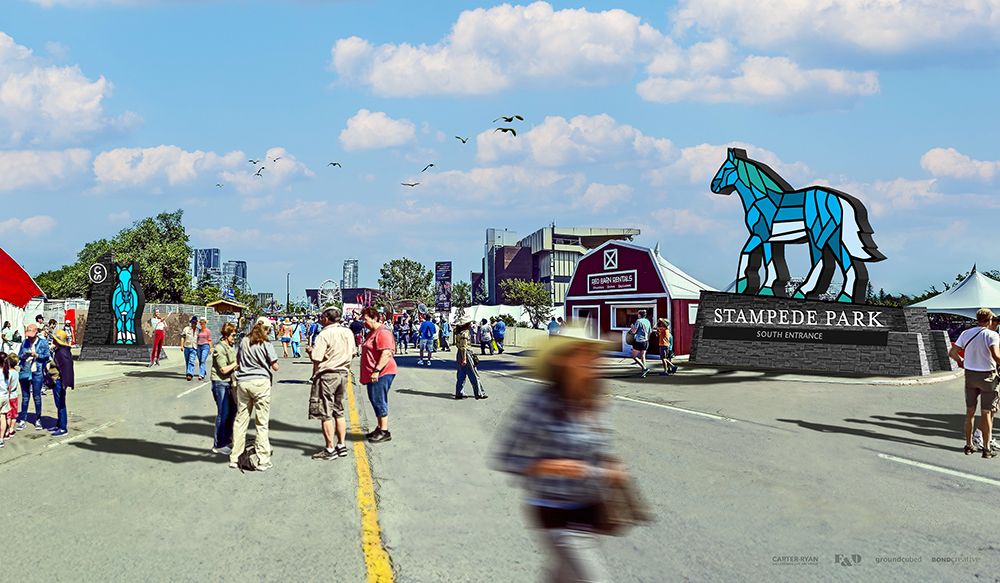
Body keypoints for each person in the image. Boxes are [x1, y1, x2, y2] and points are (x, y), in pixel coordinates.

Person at [494, 327, 640, 582]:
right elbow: (506, 457)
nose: (594, 359)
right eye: (584, 352)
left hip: (590, 510)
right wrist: (551, 466)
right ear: (562, 359)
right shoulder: (539, 402)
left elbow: (600, 448)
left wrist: (612, 467)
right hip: (554, 511)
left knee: (562, 577)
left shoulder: (596, 399)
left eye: (594, 353)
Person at [949, 308, 1000, 458]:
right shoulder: (992, 335)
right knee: (987, 412)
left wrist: (961, 362)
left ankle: (969, 445)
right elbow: (996, 356)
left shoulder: (966, 334)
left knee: (970, 412)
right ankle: (986, 449)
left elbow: (952, 352)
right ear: (990, 319)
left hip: (970, 375)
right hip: (987, 377)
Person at [230, 317, 280, 471]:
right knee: (262, 423)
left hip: (243, 383)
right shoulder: (266, 343)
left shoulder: (244, 341)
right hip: (260, 383)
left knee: (241, 420)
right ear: (266, 329)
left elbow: (238, 360)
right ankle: (263, 459)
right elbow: (275, 366)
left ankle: (235, 457)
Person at [308, 307, 355, 461]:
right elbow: (353, 352)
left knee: (325, 412)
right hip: (343, 373)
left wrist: (310, 351)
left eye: (322, 317)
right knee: (339, 410)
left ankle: (329, 448)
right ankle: (341, 445)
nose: (320, 319)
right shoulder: (347, 332)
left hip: (328, 374)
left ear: (327, 318)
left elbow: (317, 357)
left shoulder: (325, 334)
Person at [360, 307, 397, 444]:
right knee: (375, 399)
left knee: (378, 399)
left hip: (382, 372)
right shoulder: (372, 332)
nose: (363, 322)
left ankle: (384, 431)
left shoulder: (382, 332)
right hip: (373, 372)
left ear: (375, 318)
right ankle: (380, 427)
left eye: (365, 319)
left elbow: (386, 353)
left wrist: (377, 370)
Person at [210, 322, 239, 455]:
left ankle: (227, 440)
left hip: (229, 383)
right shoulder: (219, 349)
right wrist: (237, 364)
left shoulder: (230, 346)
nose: (234, 337)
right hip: (220, 383)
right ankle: (218, 444)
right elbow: (223, 369)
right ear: (226, 335)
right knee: (223, 413)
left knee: (232, 412)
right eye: (233, 335)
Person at [16, 324, 48, 430]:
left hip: (37, 371)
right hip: (25, 370)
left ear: (36, 332)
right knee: (25, 397)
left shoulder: (42, 342)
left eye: (31, 335)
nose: (29, 337)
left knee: (37, 396)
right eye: (28, 335)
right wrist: (24, 355)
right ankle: (23, 419)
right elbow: (19, 355)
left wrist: (37, 355)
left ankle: (38, 419)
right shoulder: (25, 342)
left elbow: (47, 356)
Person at [454, 317, 487, 400]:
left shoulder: (458, 332)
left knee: (461, 375)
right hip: (466, 354)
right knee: (474, 375)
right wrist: (464, 359)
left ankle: (459, 392)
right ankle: (479, 393)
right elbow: (464, 347)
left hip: (459, 353)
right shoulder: (465, 333)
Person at [50, 329, 73, 436]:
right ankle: (59, 424)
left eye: (55, 340)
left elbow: (66, 369)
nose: (53, 341)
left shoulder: (61, 352)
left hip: (59, 381)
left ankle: (63, 428)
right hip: (59, 381)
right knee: (59, 404)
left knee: (61, 404)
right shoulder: (62, 351)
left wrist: (64, 383)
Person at [0, 353, 17, 447]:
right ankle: (1, 439)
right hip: (6, 396)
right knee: (3, 416)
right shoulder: (8, 372)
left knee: (4, 417)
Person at [629, 310, 652, 378]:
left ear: (639, 315)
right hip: (645, 341)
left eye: (638, 314)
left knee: (634, 356)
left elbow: (634, 332)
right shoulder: (647, 321)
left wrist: (632, 327)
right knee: (643, 356)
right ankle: (644, 372)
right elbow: (650, 331)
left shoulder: (638, 321)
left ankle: (644, 368)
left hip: (639, 340)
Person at [180, 316, 198, 381]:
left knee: (191, 361)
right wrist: (181, 346)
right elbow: (182, 337)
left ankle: (190, 374)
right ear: (191, 323)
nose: (194, 324)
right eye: (192, 322)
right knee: (187, 361)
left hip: (194, 348)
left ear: (196, 323)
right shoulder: (186, 329)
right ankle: (188, 372)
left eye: (195, 323)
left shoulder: (198, 330)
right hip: (187, 347)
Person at [196, 317, 212, 381]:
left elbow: (209, 340)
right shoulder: (198, 331)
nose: (202, 324)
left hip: (205, 346)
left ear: (205, 323)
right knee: (200, 360)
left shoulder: (208, 331)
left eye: (203, 323)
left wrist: (210, 348)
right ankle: (203, 370)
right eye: (201, 323)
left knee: (203, 360)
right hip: (199, 346)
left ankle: (201, 375)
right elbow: (196, 338)